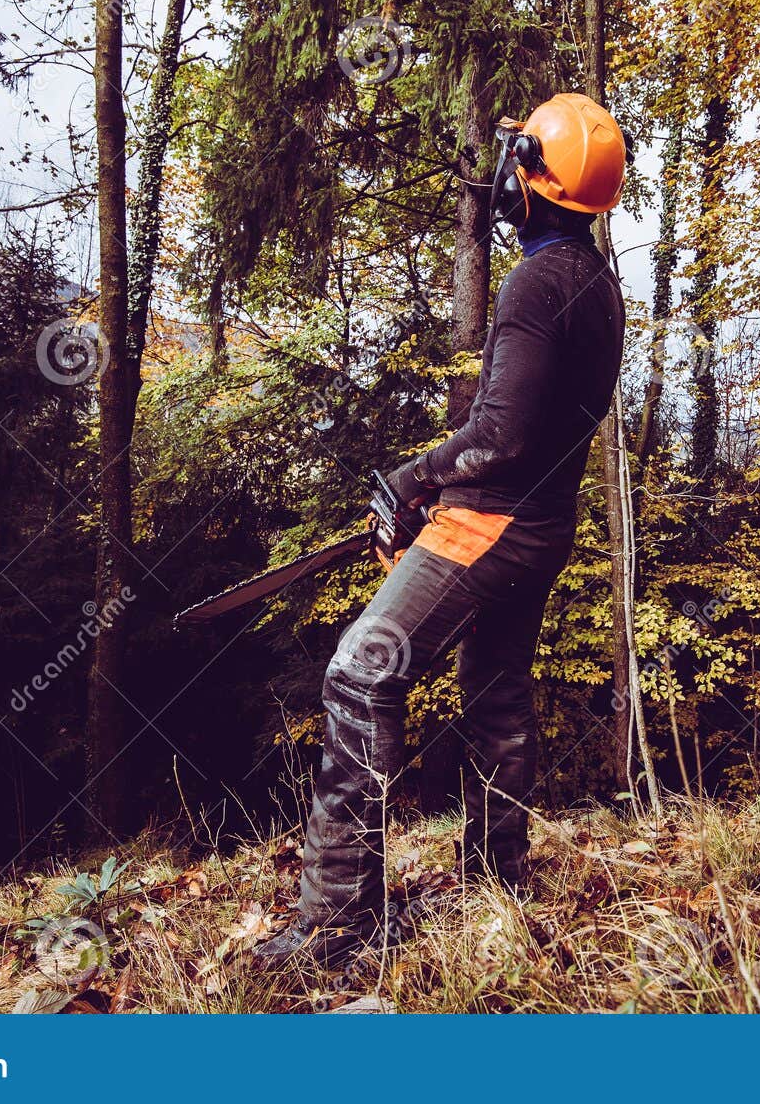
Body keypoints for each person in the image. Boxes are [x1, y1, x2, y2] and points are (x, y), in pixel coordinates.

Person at [253, 93, 628, 969]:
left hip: (496, 521)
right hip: (539, 523)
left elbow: (500, 435)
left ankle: (336, 922)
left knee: (359, 670)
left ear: (533, 181)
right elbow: (523, 430)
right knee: (496, 690)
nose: (506, 178)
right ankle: (499, 877)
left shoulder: (539, 281)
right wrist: (431, 490)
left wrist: (411, 479)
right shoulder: (598, 286)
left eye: (517, 163)